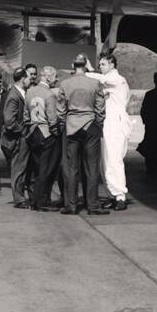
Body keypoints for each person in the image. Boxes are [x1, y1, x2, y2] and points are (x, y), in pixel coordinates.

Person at [58, 55, 108, 215]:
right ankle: (92, 205)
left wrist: (65, 123)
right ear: (86, 65)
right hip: (90, 125)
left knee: (71, 168)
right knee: (92, 168)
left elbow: (60, 110)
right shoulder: (95, 83)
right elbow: (100, 108)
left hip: (72, 126)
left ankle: (71, 205)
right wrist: (98, 123)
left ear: (73, 65)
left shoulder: (65, 84)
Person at [87, 52, 132, 209]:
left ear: (112, 65)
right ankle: (114, 195)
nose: (101, 68)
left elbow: (101, 79)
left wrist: (85, 72)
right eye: (100, 65)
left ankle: (120, 196)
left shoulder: (117, 79)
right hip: (111, 122)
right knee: (106, 160)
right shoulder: (111, 82)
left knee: (113, 159)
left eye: (103, 65)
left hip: (116, 122)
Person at [25, 66, 63, 212]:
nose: (56, 80)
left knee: (36, 168)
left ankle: (35, 199)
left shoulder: (29, 92)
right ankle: (40, 201)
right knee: (46, 169)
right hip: (46, 134)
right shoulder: (49, 95)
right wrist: (56, 134)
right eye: (55, 77)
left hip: (33, 132)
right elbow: (52, 119)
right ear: (48, 77)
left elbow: (26, 116)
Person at [1, 68, 31, 208]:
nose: (30, 80)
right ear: (23, 78)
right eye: (29, 77)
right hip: (18, 138)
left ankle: (20, 197)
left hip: (20, 137)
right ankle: (19, 199)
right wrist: (24, 130)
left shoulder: (18, 93)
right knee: (18, 169)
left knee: (21, 168)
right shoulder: (14, 96)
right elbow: (9, 122)